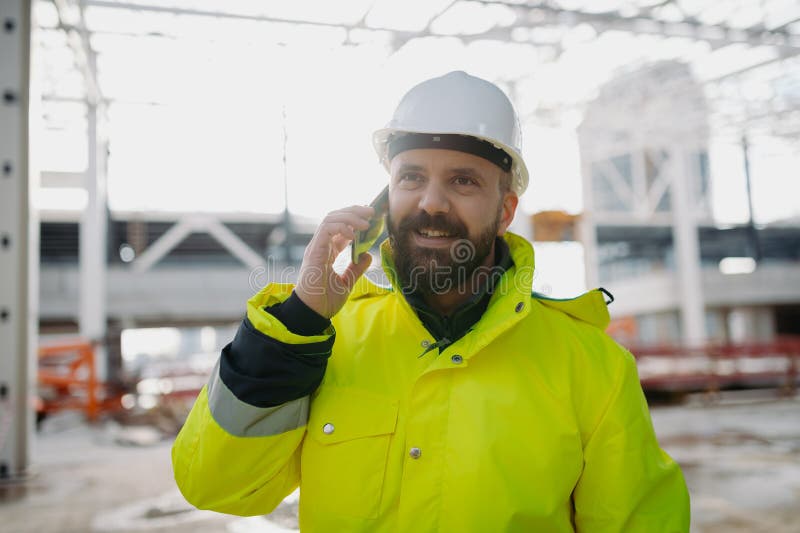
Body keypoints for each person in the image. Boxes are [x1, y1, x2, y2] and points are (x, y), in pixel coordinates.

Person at [172, 71, 690, 532]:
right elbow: (216, 487)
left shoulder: (591, 366)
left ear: (505, 209)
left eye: (463, 181)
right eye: (411, 177)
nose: (432, 202)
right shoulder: (319, 342)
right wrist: (299, 322)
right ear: (387, 196)